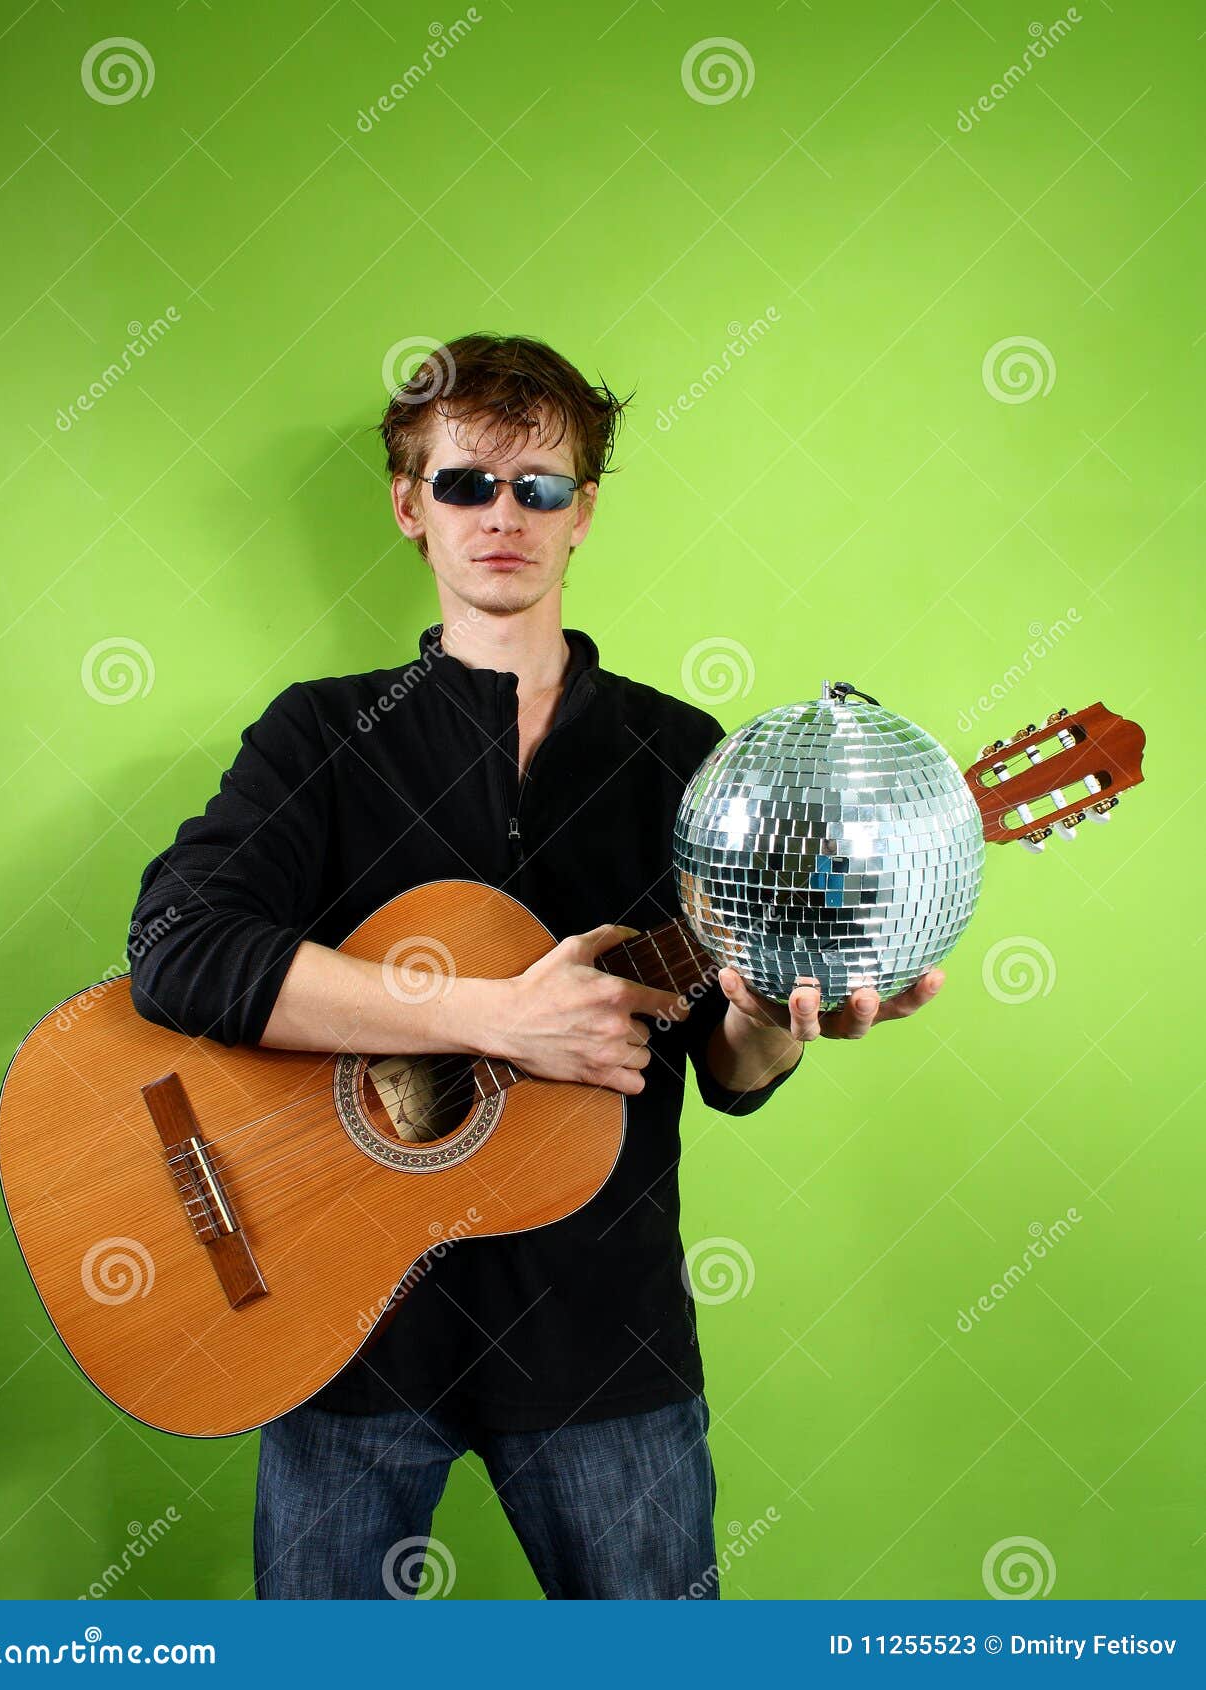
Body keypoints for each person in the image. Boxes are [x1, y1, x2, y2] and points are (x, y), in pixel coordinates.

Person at [128, 332, 944, 1600]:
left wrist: (779, 1019)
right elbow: (177, 953)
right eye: (465, 483)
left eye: (539, 486)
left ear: (583, 514)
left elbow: (725, 1072)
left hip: (597, 1342)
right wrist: (494, 1016)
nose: (501, 515)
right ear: (410, 506)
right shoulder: (324, 734)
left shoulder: (687, 756)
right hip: (338, 1335)